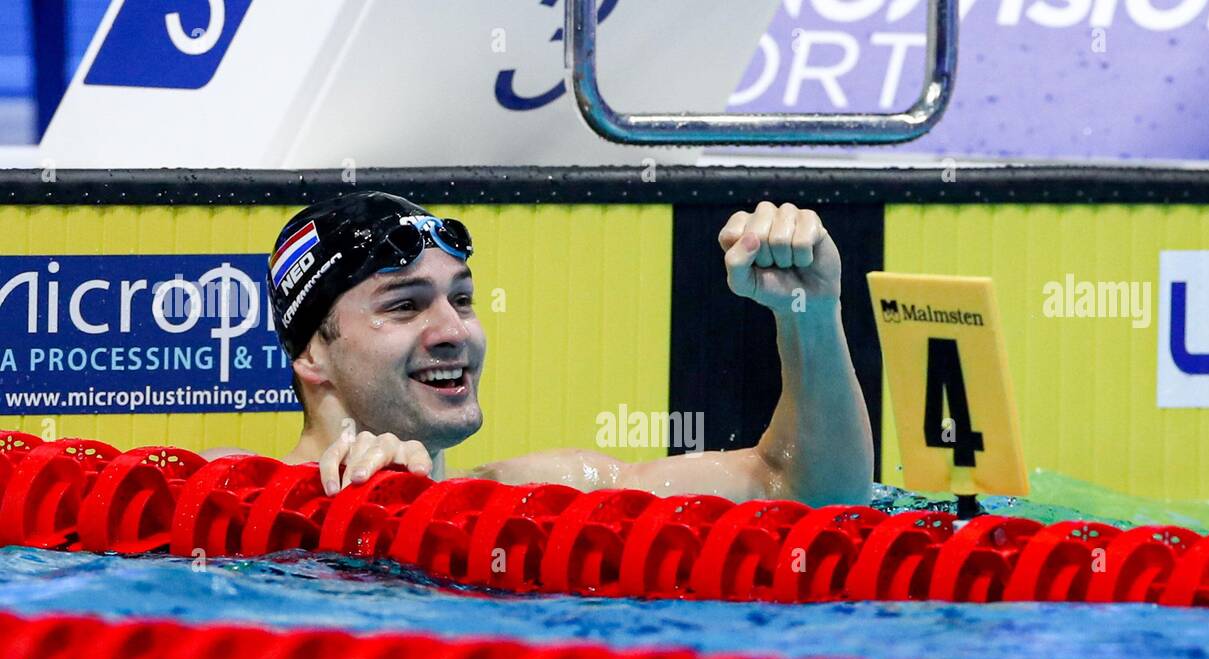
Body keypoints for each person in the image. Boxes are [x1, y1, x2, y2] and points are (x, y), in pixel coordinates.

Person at [207, 191, 874, 507]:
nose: (453, 330)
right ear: (312, 355)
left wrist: (810, 313)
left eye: (461, 300)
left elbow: (812, 491)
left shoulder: (545, 496)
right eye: (405, 305)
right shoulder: (227, 502)